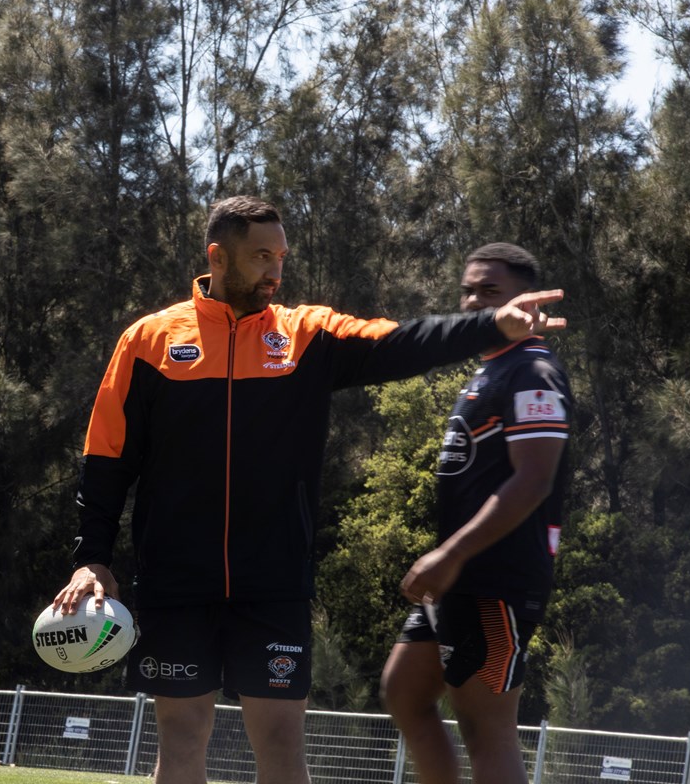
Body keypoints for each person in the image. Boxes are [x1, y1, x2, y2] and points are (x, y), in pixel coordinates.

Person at [52, 197, 566, 784]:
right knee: (183, 737)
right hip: (175, 581)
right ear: (217, 257)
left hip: (275, 583)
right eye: (261, 256)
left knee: (279, 742)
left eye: (281, 257)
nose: (275, 270)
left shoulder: (306, 335)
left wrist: (489, 325)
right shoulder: (148, 341)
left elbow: (401, 341)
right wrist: (90, 558)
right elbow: (106, 457)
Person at [380, 243, 573, 784]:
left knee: (485, 727)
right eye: (467, 290)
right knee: (404, 691)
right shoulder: (489, 371)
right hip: (459, 579)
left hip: (497, 577)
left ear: (526, 302)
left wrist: (450, 553)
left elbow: (533, 480)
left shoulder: (532, 370)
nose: (473, 301)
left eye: (490, 291)